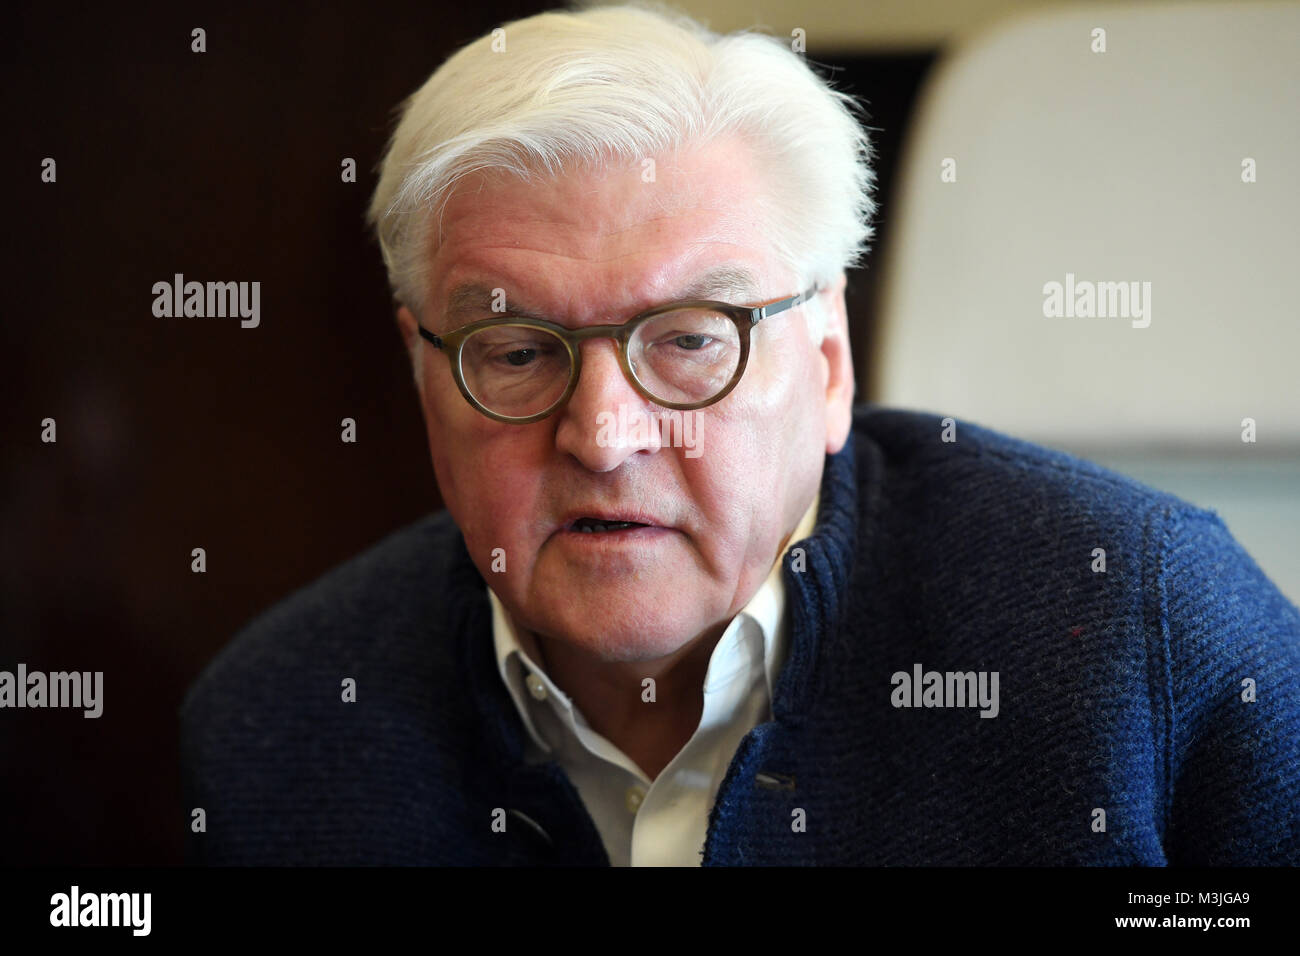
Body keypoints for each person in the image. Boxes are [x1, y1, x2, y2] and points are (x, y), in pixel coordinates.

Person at [179, 2, 1300, 866]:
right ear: (424, 372)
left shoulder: (1142, 630)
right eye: (516, 350)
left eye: (689, 340)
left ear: (825, 363)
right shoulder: (277, 728)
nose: (605, 435)